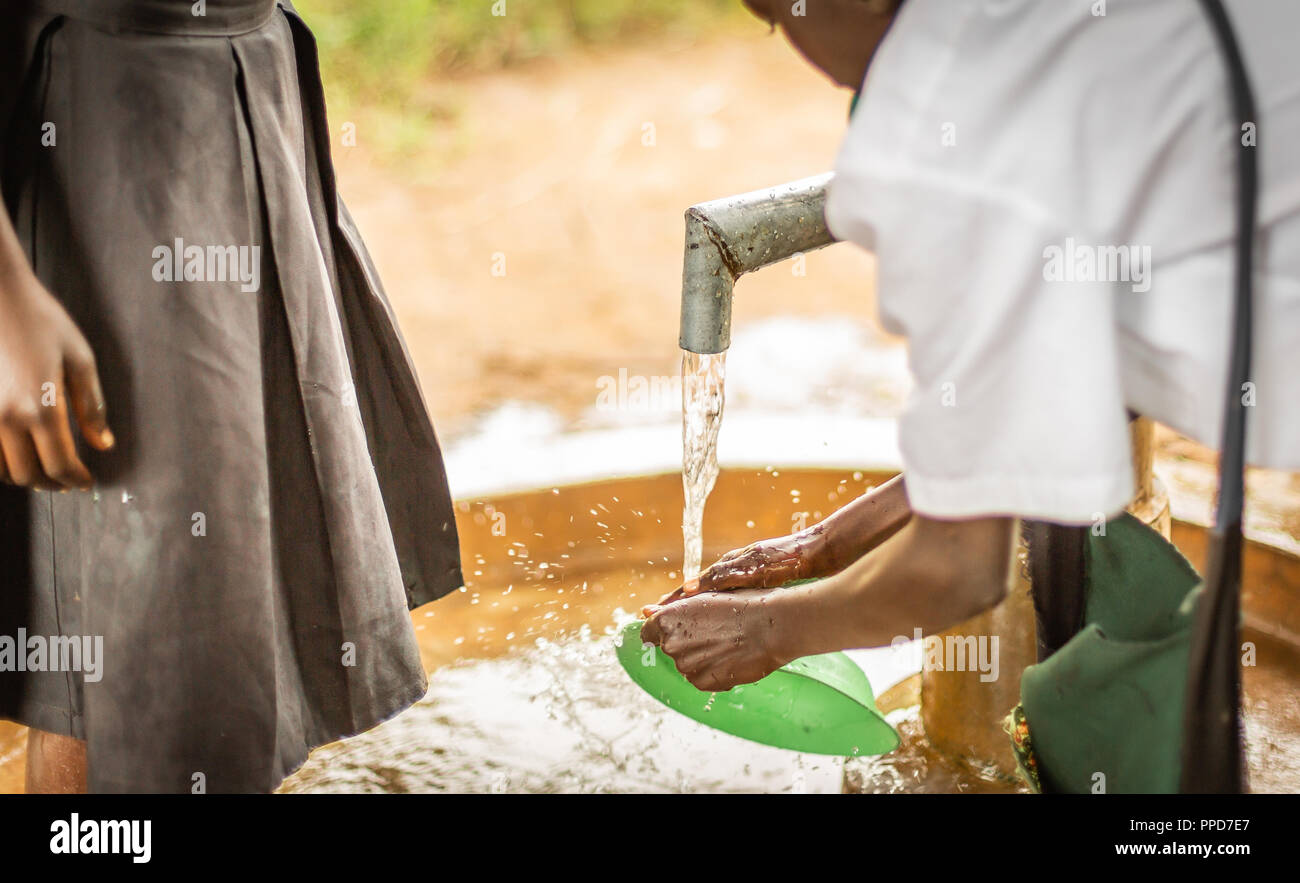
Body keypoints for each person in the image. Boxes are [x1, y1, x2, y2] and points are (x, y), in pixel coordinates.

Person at [644, 0, 1299, 691]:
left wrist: (767, 632)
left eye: (779, 16)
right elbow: (1058, 401)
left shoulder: (949, 132)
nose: (797, 48)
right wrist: (825, 546)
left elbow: (959, 565)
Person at [0, 0, 463, 792]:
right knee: (167, 656)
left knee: (179, 657)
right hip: (109, 134)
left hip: (246, 105)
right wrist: (7, 302)